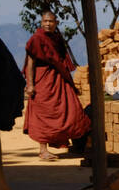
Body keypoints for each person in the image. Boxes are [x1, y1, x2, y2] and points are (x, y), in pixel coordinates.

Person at [23, 10, 91, 161]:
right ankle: (43, 150)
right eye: (45, 21)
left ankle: (78, 145)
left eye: (51, 21)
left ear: (56, 23)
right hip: (42, 81)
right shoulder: (36, 38)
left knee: (73, 111)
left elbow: (61, 60)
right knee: (44, 115)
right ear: (41, 23)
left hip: (58, 79)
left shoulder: (57, 38)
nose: (48, 24)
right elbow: (30, 62)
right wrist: (30, 84)